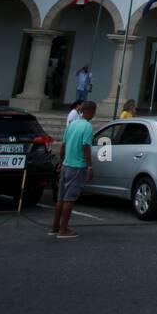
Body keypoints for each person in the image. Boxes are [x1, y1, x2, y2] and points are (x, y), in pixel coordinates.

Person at [52, 100, 96, 239]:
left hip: (66, 164)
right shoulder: (87, 127)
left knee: (61, 198)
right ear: (91, 111)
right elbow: (85, 146)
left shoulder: (72, 124)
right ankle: (63, 229)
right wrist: (89, 166)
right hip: (78, 165)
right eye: (94, 111)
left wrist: (61, 161)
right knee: (69, 199)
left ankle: (55, 227)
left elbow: (63, 145)